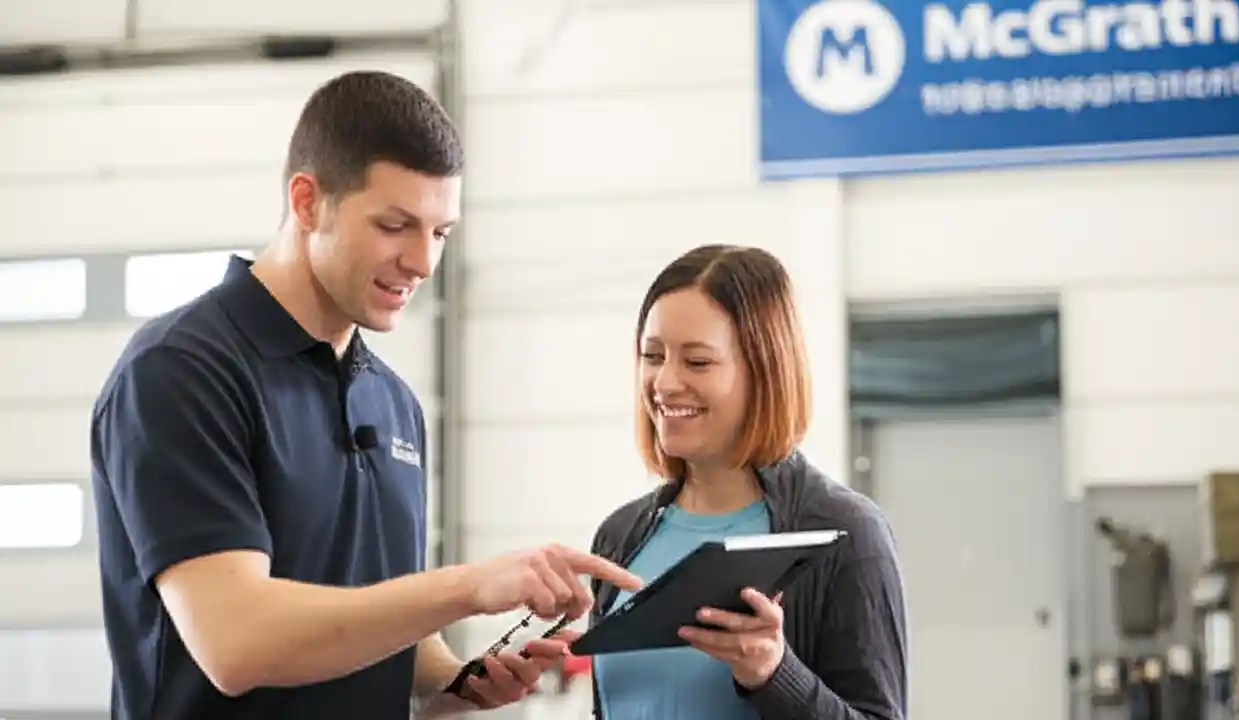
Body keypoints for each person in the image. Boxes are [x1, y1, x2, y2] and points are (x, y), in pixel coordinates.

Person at [89, 70, 641, 720]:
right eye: (395, 224)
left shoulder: (394, 403)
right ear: (307, 202)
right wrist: (471, 586)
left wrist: (455, 678)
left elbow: (388, 632)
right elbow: (236, 642)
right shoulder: (183, 371)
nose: (424, 262)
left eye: (440, 233)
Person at [587, 244, 909, 719]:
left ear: (765, 372)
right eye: (652, 356)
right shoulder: (620, 537)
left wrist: (775, 673)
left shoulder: (846, 534)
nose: (665, 382)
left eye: (697, 362)